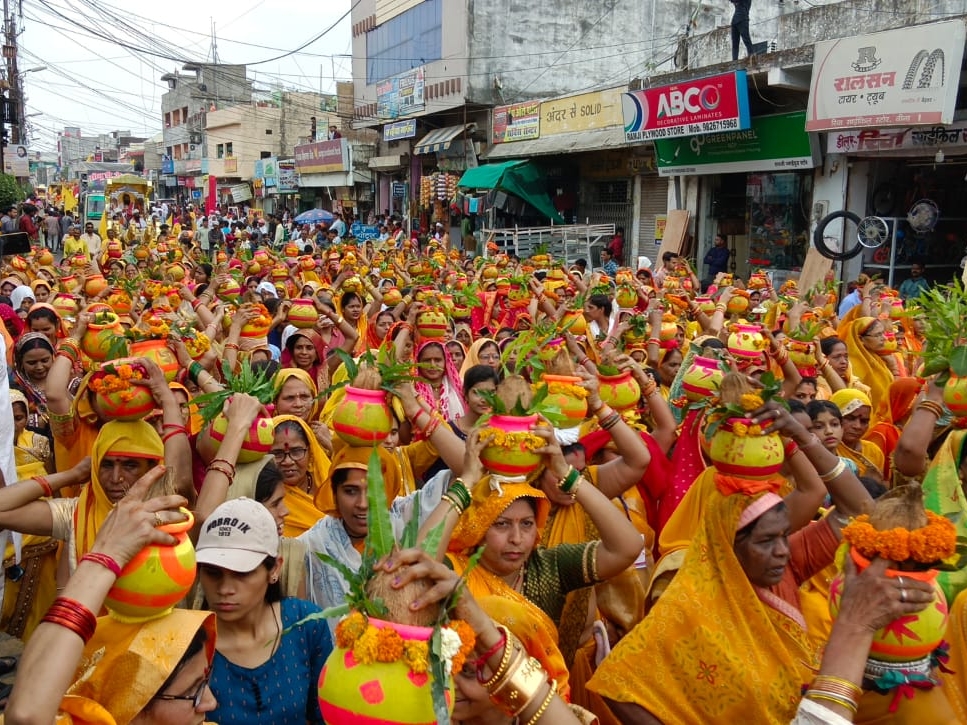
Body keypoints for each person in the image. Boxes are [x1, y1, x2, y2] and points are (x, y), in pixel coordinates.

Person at [4, 465, 219, 724]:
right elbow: (27, 715)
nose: (210, 703)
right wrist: (73, 476)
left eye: (204, 682)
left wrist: (103, 557)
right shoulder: (76, 512)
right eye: (191, 691)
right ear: (131, 705)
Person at [196, 498, 332, 724]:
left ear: (274, 569)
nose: (225, 589)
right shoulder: (187, 644)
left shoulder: (306, 624)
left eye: (242, 573)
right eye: (212, 572)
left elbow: (325, 713)